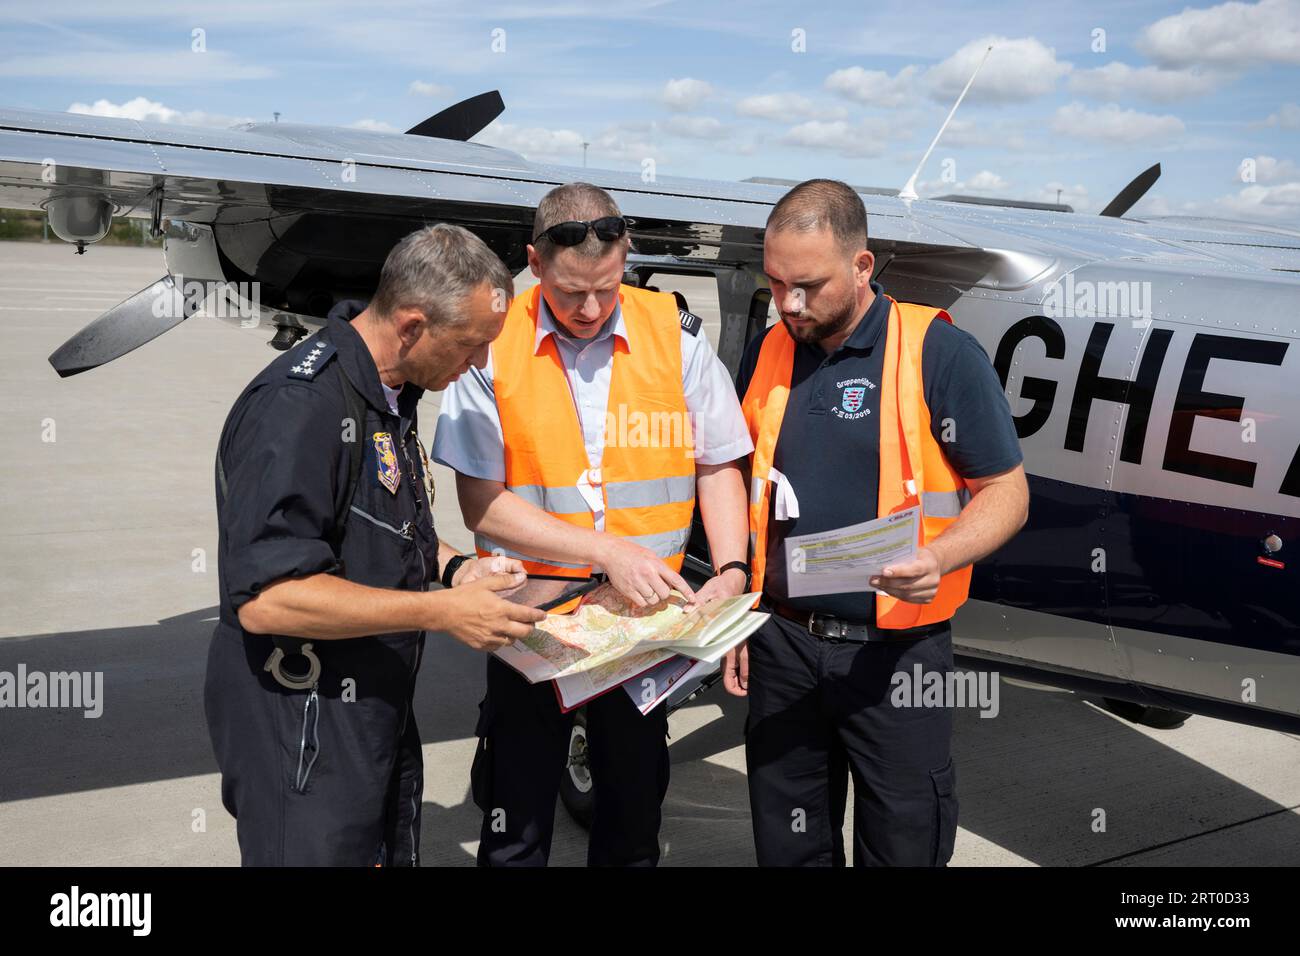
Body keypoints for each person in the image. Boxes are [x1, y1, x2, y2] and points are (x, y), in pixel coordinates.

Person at [204, 223, 546, 866]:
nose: (478, 364)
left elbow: (383, 532)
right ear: (413, 326)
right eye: (472, 345)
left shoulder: (387, 393)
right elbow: (268, 599)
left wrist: (455, 570)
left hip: (364, 708)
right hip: (301, 723)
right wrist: (440, 614)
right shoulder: (298, 406)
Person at [433, 182, 753, 866]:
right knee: (514, 821)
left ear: (626, 256)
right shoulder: (492, 339)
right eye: (570, 291)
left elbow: (719, 463)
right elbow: (481, 503)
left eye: (606, 289)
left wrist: (730, 569)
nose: (588, 308)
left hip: (644, 623)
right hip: (532, 621)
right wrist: (606, 551)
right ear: (534, 262)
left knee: (635, 812)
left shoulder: (674, 335)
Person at [726, 179, 1029, 866]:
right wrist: (743, 614)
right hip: (782, 644)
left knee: (903, 844)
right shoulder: (767, 351)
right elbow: (750, 495)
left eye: (808, 284)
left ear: (863, 267)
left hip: (898, 656)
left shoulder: (939, 352)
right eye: (775, 283)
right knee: (789, 847)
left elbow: (1007, 491)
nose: (789, 303)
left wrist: (941, 557)